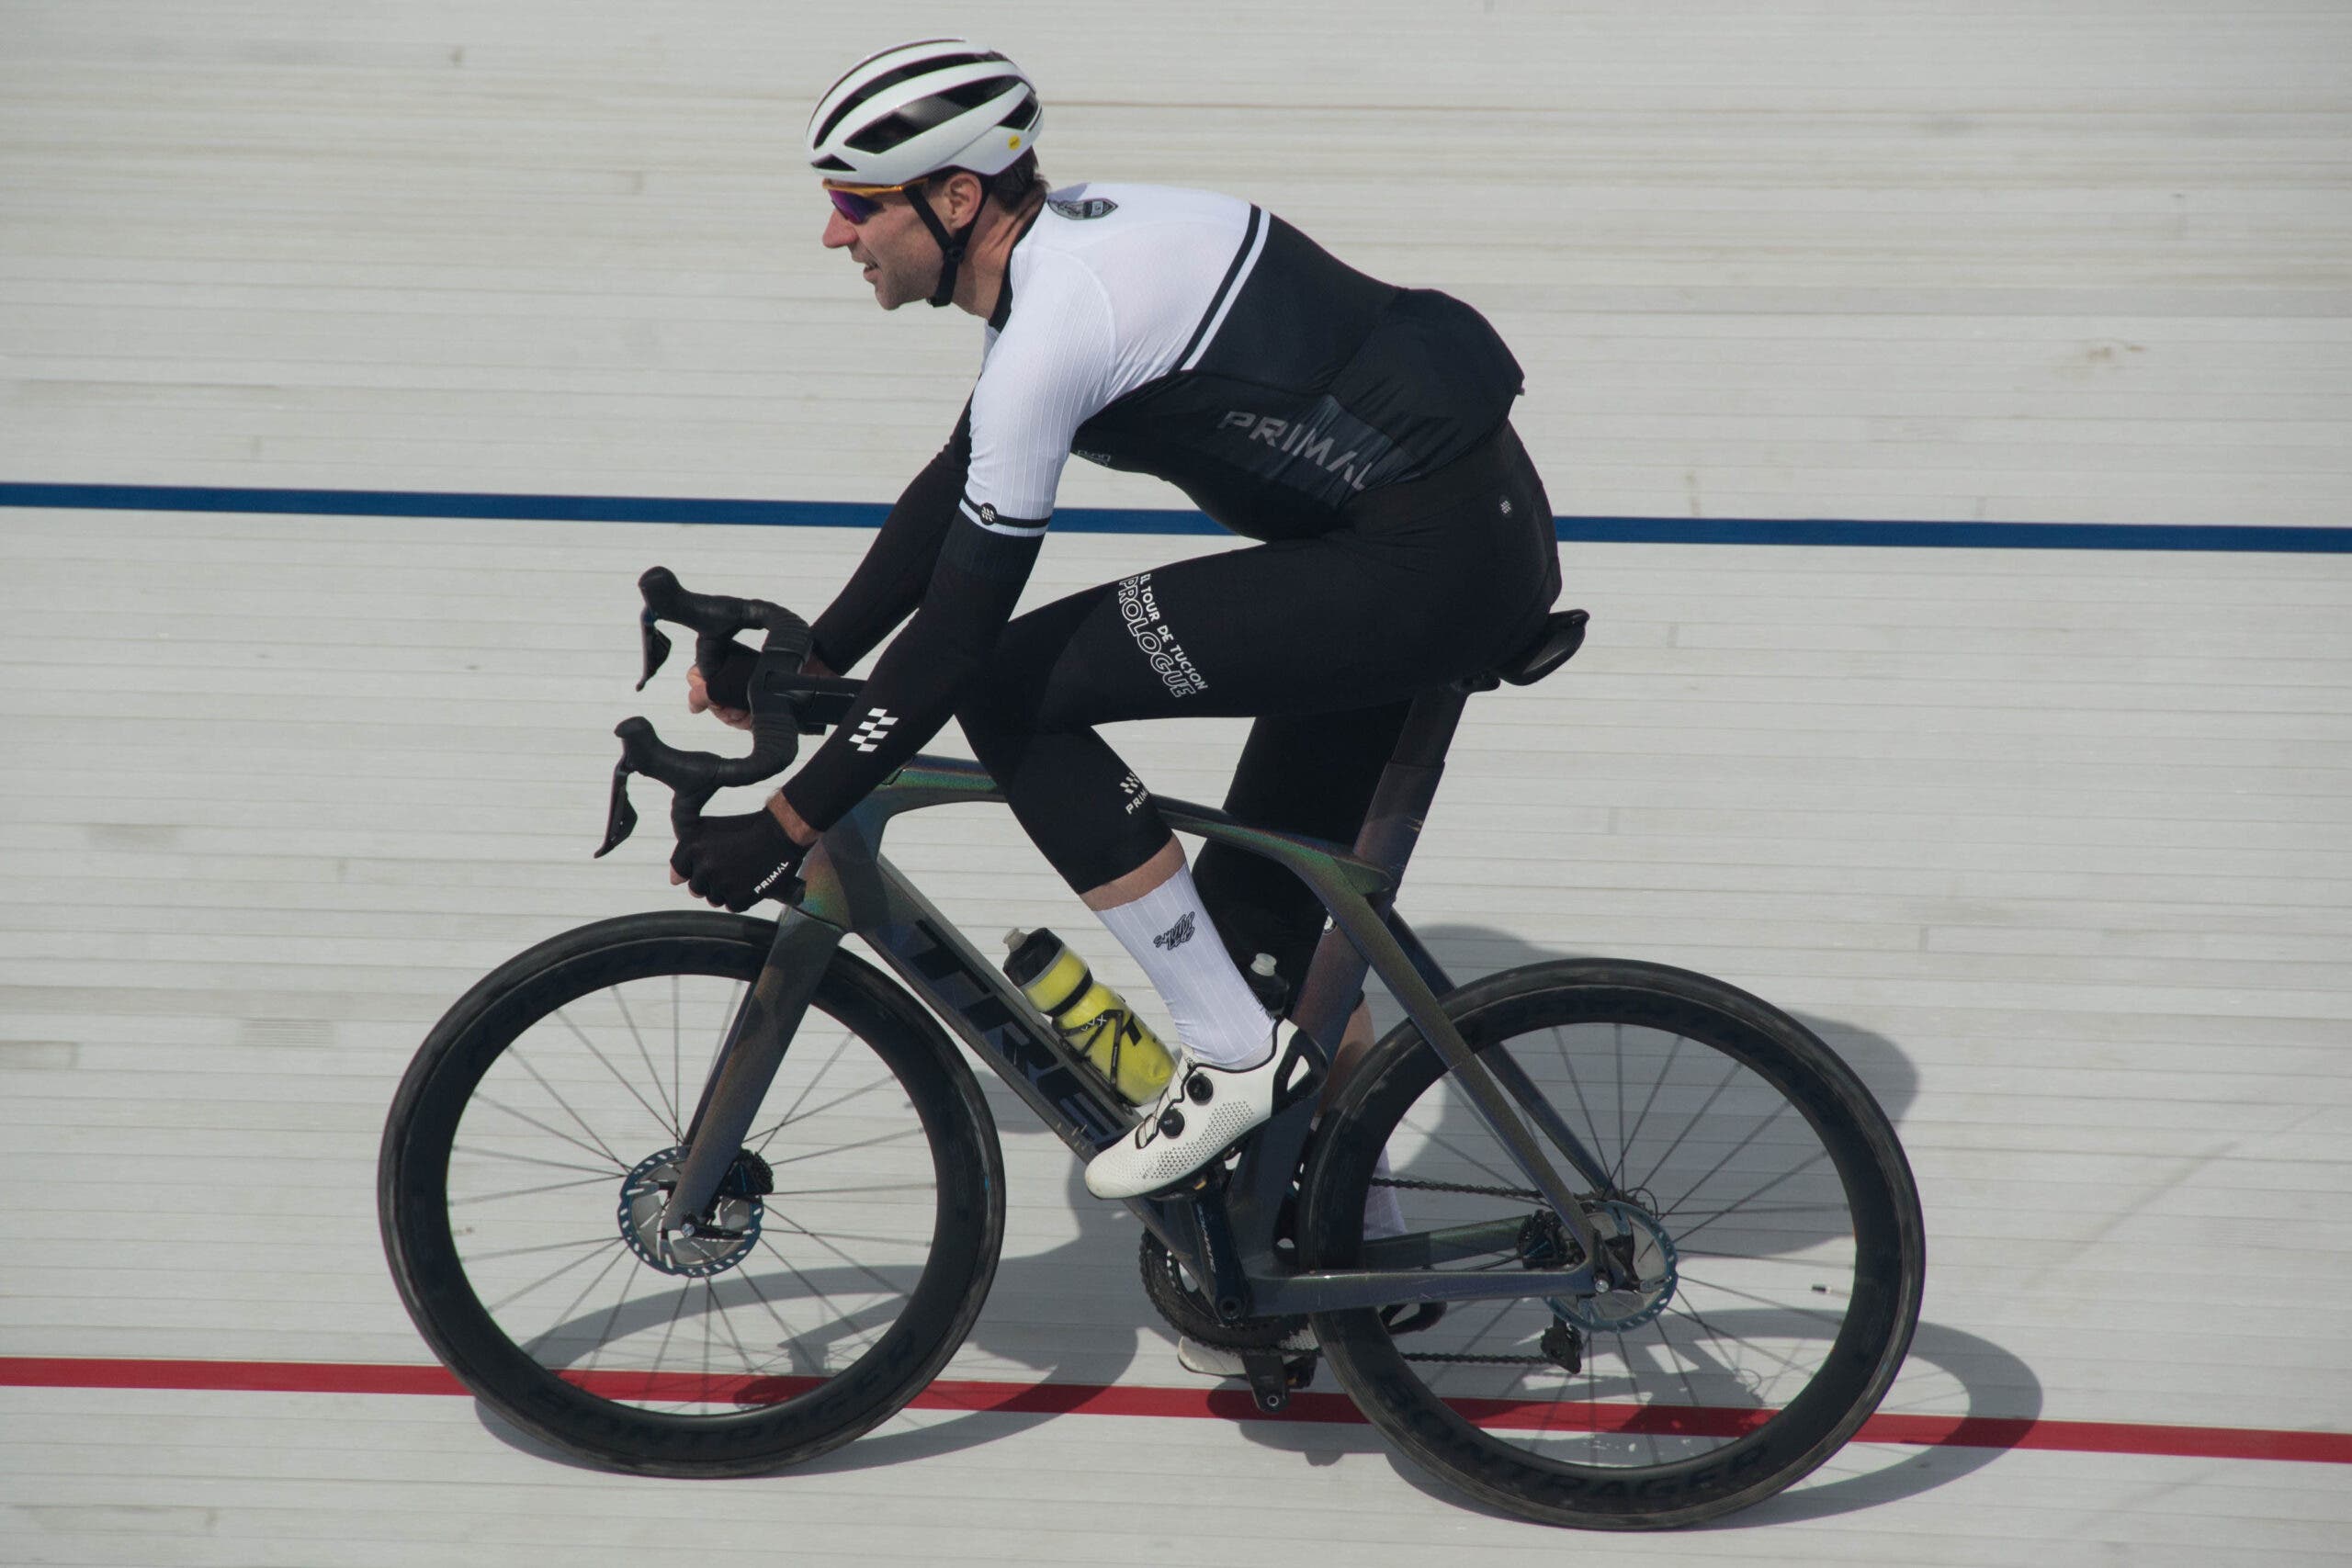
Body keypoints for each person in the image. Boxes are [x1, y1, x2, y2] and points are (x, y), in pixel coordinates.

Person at [669, 39, 1559, 1210]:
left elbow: (953, 646)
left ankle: (1230, 1061)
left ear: (954, 199)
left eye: (854, 202)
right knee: (1255, 949)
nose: (836, 234)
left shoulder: (1059, 323)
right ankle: (1352, 1254)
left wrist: (784, 822)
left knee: (1009, 687)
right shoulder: (1062, 256)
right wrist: (812, 657)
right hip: (1439, 536)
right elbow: (958, 480)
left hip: (1419, 565)